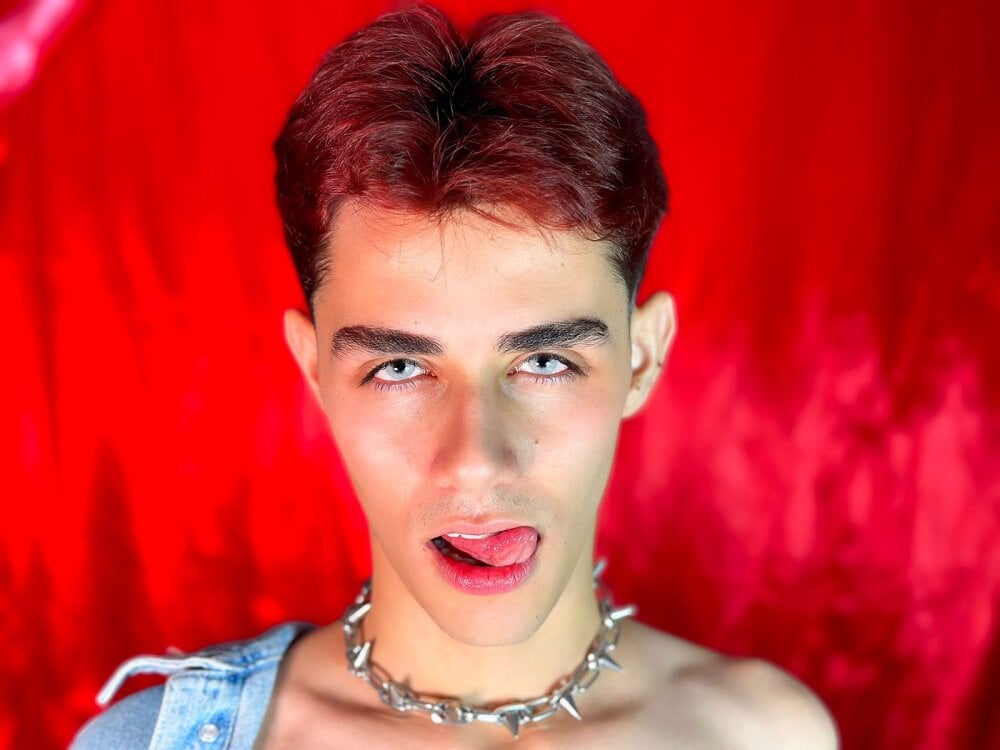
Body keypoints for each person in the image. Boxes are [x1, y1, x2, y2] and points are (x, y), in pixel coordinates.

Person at [73, 6, 839, 748]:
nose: (474, 460)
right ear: (315, 371)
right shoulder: (151, 744)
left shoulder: (769, 735)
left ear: (641, 359)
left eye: (544, 362)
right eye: (400, 367)